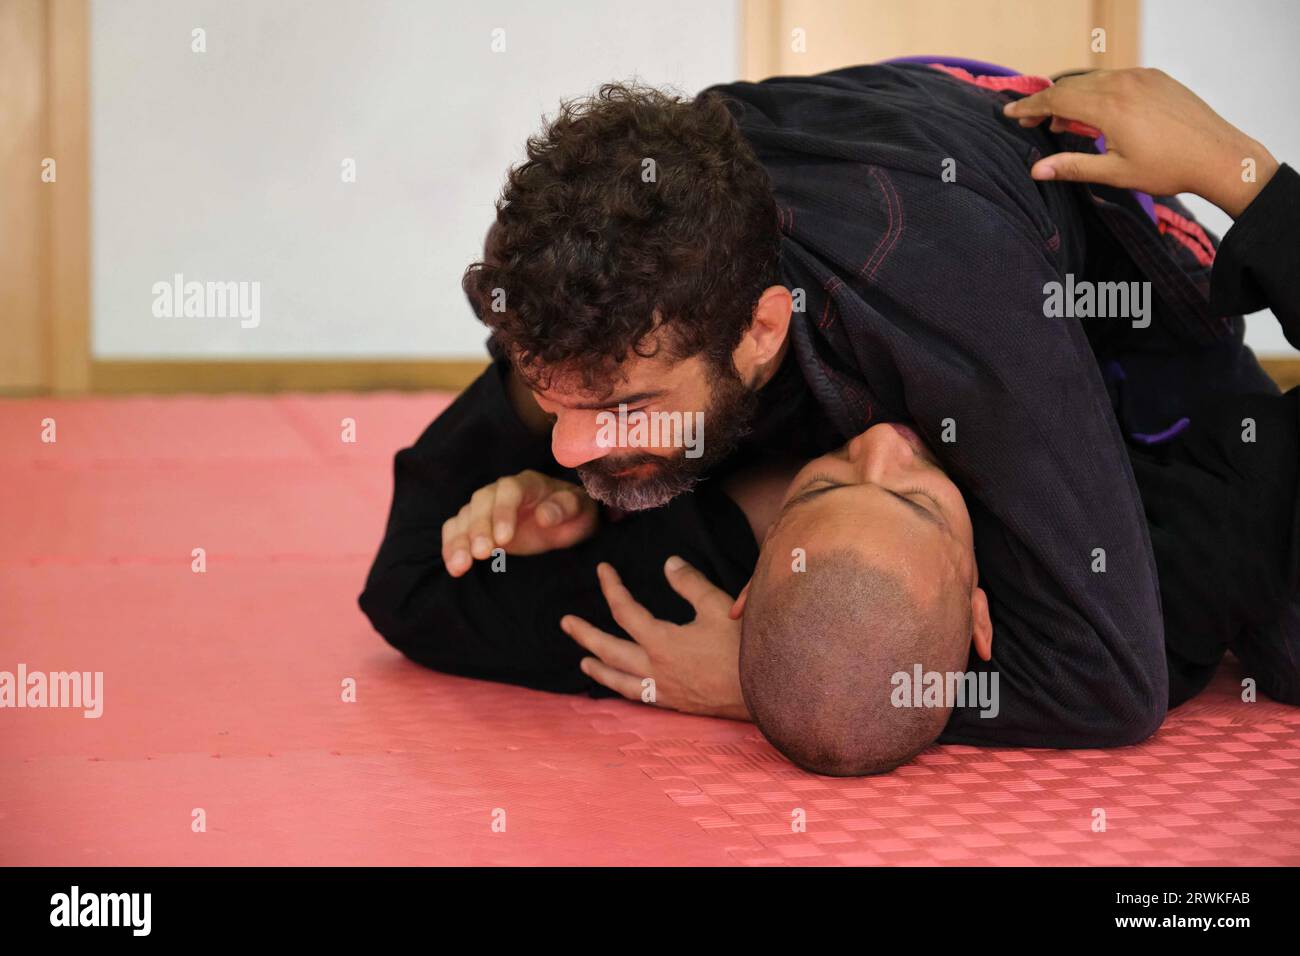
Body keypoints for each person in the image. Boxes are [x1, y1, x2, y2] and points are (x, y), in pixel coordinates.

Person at [359, 64, 1268, 746]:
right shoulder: (628, 273)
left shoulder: (958, 303)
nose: (569, 449)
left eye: (623, 409)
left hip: (1115, 334)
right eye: (552, 401)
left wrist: (770, 684)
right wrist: (553, 502)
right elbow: (408, 590)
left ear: (760, 330)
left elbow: (1106, 681)